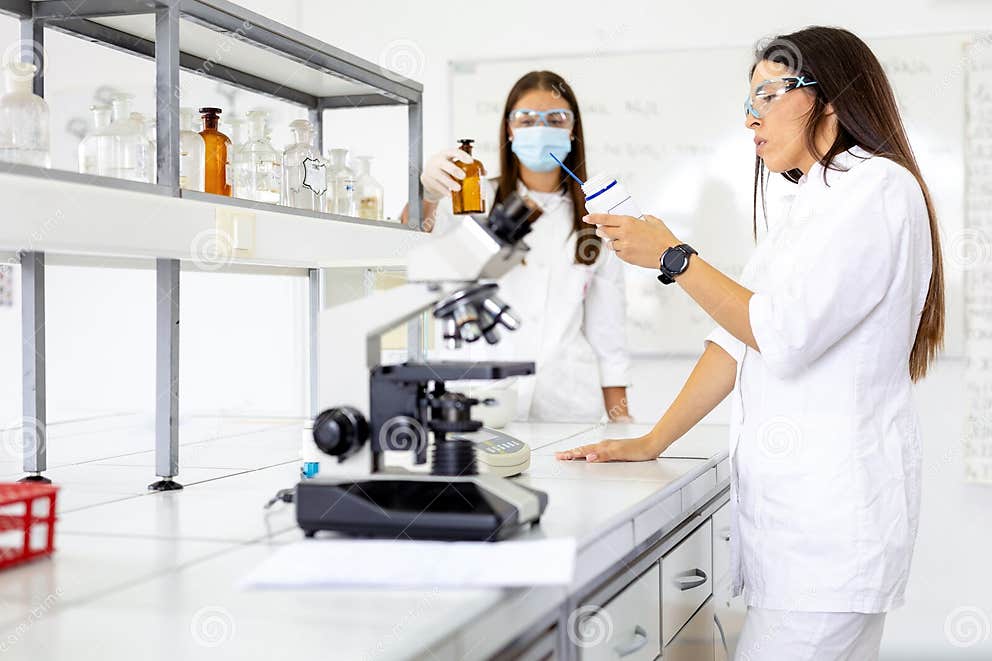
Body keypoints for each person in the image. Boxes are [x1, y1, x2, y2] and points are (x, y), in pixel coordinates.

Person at [555, 27, 944, 660]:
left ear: (830, 97)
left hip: (831, 531)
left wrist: (676, 257)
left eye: (767, 94)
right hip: (800, 537)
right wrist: (653, 441)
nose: (749, 118)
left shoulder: (876, 190)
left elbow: (782, 335)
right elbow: (735, 344)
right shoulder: (809, 206)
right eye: (749, 99)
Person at [405, 71, 631, 423]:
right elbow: (408, 246)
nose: (540, 129)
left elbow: (608, 332)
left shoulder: (595, 216)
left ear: (573, 129)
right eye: (526, 120)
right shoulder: (474, 196)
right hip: (480, 393)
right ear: (509, 130)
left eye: (555, 119)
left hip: (567, 403)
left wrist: (622, 419)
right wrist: (428, 196)